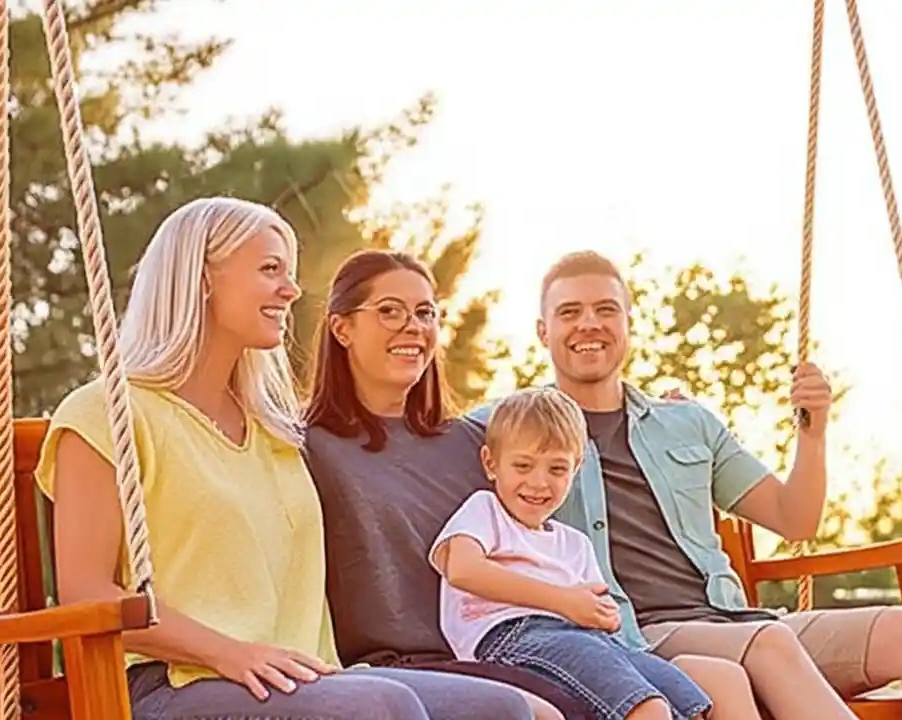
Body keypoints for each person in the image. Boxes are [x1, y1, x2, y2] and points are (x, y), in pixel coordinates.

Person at [35, 197, 533, 719]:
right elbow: (84, 593)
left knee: (498, 709)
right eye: (270, 269)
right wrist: (230, 653)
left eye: (290, 272)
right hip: (168, 684)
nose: (292, 290)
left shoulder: (274, 429)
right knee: (381, 708)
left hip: (296, 674)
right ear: (201, 278)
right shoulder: (109, 413)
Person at [469, 250, 902, 720]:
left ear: (629, 322)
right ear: (542, 331)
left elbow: (795, 518)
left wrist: (815, 430)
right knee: (766, 645)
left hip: (736, 617)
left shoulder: (687, 423)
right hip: (638, 637)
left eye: (606, 309)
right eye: (569, 312)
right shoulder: (506, 430)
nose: (589, 324)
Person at [302, 249, 760, 720]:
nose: (412, 327)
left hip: (530, 642)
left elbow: (545, 444)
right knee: (570, 708)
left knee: (710, 686)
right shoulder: (308, 446)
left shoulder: (469, 440)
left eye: (425, 313)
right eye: (389, 311)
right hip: (423, 658)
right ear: (343, 329)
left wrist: (669, 414)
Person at [430, 386, 713, 720]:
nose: (538, 482)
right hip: (509, 638)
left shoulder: (574, 543)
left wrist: (602, 614)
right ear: (491, 463)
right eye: (522, 465)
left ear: (576, 469)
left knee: (685, 699)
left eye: (557, 469)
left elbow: (596, 610)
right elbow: (462, 570)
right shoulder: (486, 510)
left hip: (582, 638)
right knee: (646, 708)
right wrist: (561, 600)